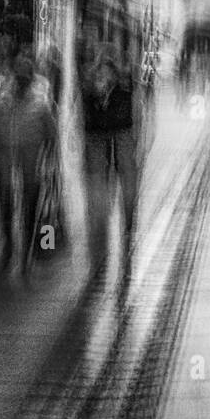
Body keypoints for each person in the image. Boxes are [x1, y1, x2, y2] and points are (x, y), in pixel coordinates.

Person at [0, 42, 57, 278]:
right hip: (5, 154)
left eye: (26, 73)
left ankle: (25, 254)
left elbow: (51, 132)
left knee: (29, 205)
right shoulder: (2, 92)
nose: (21, 78)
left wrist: (48, 162)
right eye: (18, 73)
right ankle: (9, 248)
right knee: (6, 204)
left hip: (30, 157)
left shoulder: (40, 94)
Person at [83, 44, 138, 268]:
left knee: (125, 180)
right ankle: (102, 229)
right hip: (99, 138)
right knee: (101, 186)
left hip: (119, 136)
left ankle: (126, 222)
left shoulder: (125, 88)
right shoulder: (90, 89)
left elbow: (133, 116)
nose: (102, 78)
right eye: (99, 74)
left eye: (106, 73)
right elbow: (85, 117)